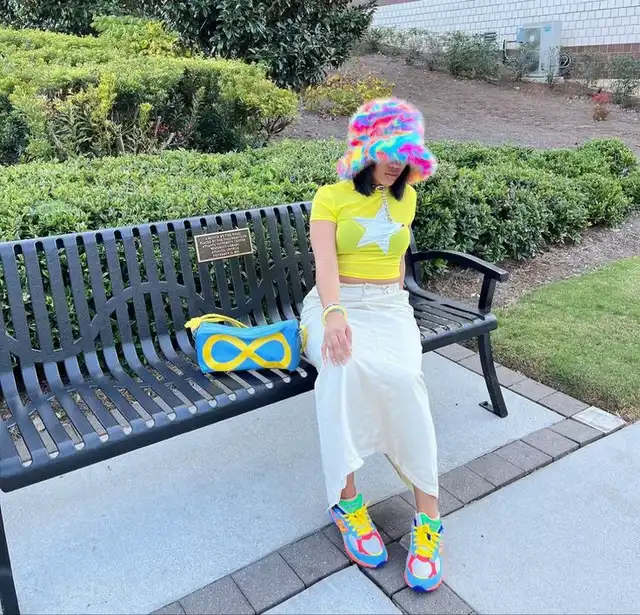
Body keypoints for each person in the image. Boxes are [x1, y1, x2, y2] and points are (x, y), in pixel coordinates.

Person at [300, 98, 442, 592]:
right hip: (333, 303)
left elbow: (396, 263)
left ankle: (429, 519)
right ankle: (348, 504)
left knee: (405, 380)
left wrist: (393, 304)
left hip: (389, 308)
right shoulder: (330, 198)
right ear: (365, 150)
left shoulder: (408, 198)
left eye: (406, 154)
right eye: (388, 151)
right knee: (341, 371)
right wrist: (334, 314)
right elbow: (325, 265)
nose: (397, 163)